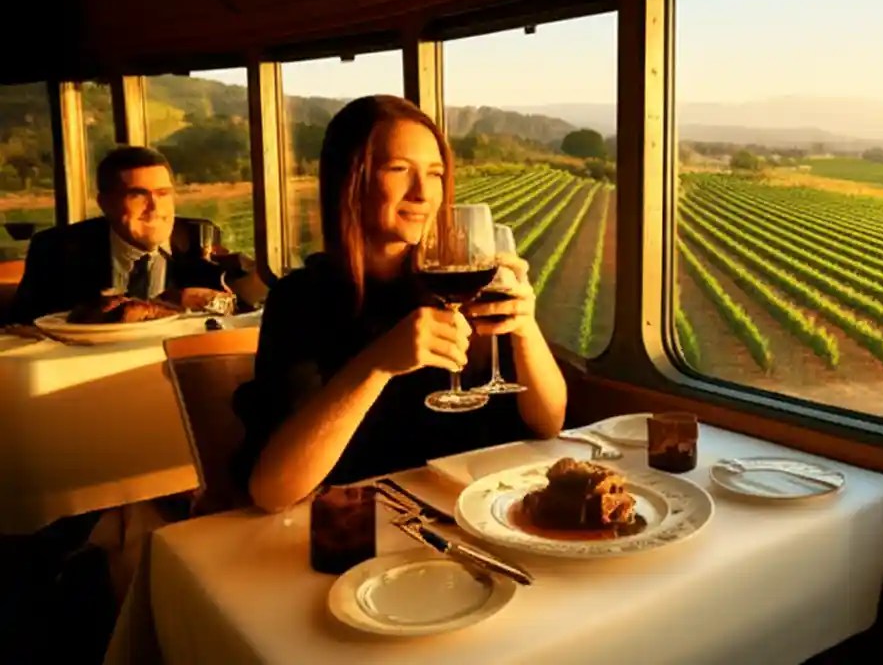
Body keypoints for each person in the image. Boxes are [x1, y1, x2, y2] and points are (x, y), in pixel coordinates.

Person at [233, 95, 567, 512]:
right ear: (350, 180)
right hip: (372, 527)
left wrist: (525, 327)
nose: (423, 192)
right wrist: (377, 365)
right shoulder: (302, 300)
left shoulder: (460, 279)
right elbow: (273, 491)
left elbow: (548, 421)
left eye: (435, 173)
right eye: (398, 169)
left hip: (484, 513)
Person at [7, 145, 262, 324]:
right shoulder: (56, 248)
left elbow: (250, 303)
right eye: (138, 194)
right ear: (105, 203)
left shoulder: (199, 237)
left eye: (163, 193)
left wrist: (205, 302)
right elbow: (24, 326)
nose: (155, 207)